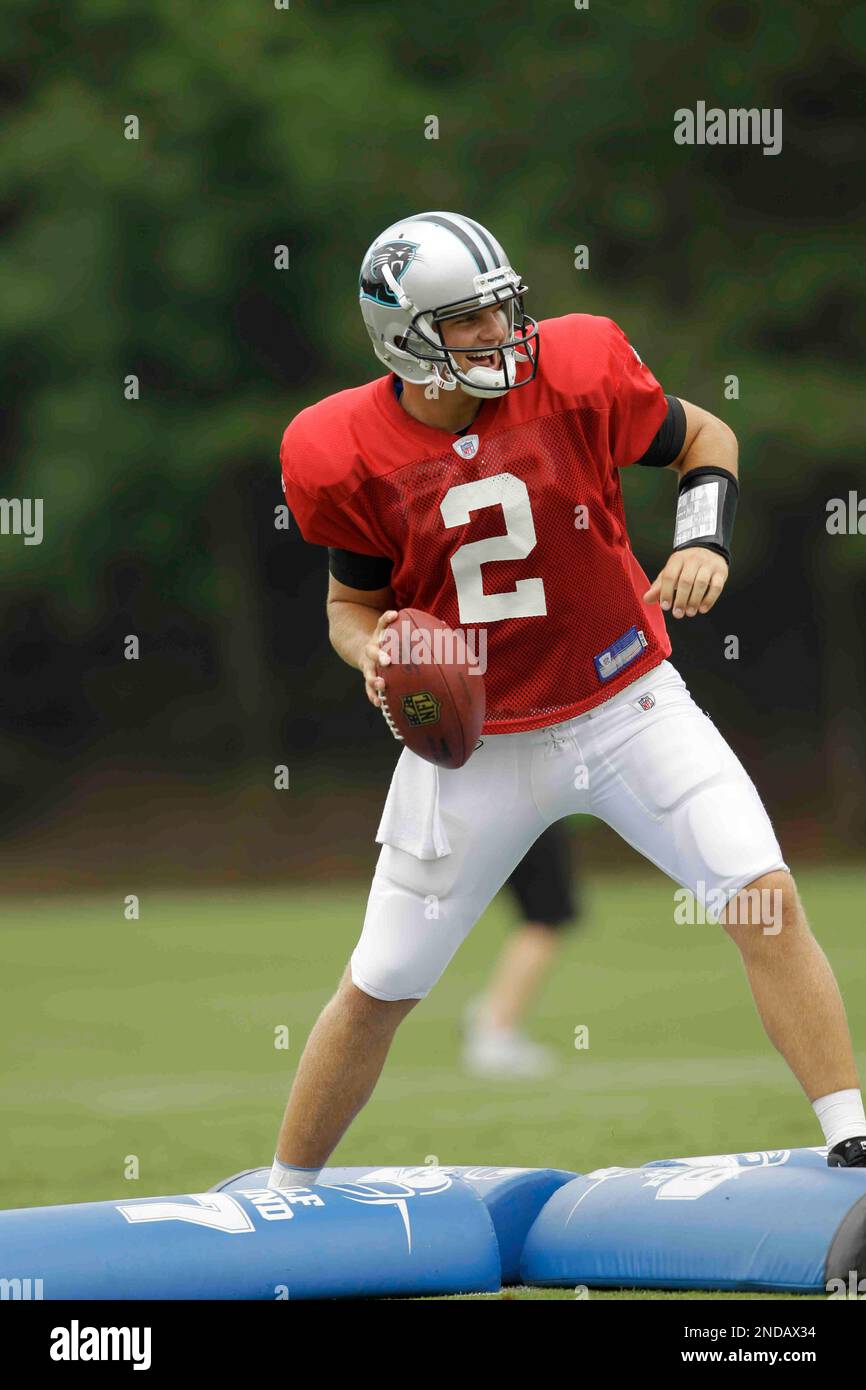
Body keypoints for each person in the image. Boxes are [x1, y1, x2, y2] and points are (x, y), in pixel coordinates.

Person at [271, 211, 866, 1187]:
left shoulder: (576, 367)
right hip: (476, 744)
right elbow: (351, 604)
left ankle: (848, 1139)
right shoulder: (342, 448)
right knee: (379, 985)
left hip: (625, 697)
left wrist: (699, 538)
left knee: (761, 896)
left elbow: (704, 436)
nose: (502, 330)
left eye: (503, 306)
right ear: (406, 338)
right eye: (469, 319)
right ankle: (282, 1196)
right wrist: (371, 651)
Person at [462, 820, 578, 1079]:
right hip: (526, 811)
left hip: (492, 812)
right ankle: (494, 1030)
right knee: (545, 919)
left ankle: (491, 1014)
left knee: (544, 918)